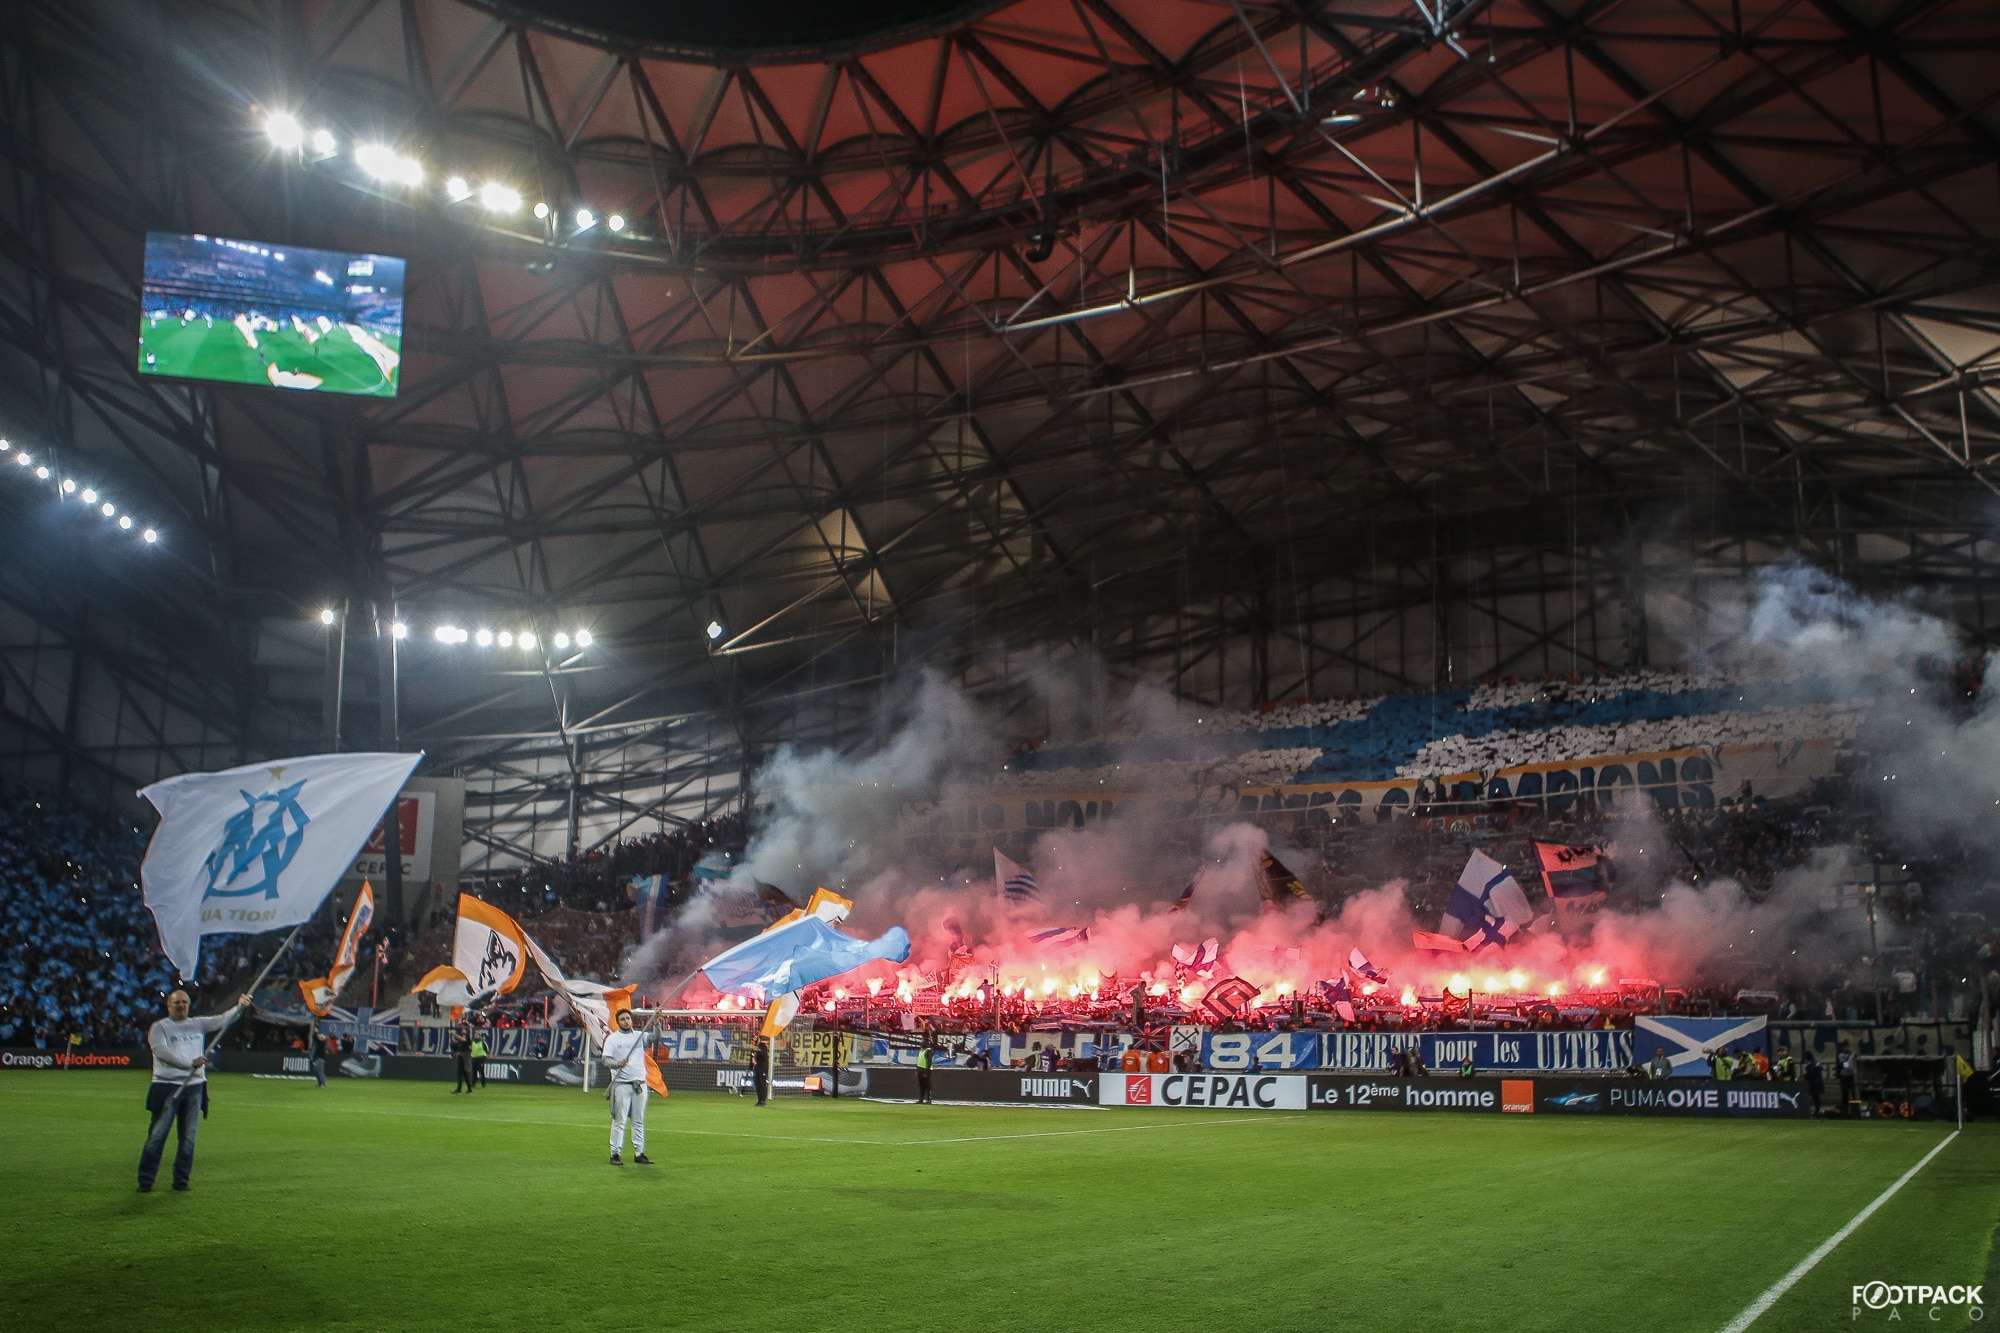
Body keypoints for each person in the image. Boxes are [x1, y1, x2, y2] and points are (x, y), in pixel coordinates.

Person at [138, 990, 251, 1193]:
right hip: (166, 1086)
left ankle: (181, 1179)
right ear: (168, 1005)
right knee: (157, 1135)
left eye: (184, 1002)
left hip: (194, 1087)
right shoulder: (160, 1027)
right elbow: (161, 1053)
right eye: (177, 1002)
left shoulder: (197, 1023)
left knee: (188, 1137)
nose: (181, 1005)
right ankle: (146, 1180)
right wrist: (189, 1064)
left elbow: (222, 1020)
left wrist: (240, 1006)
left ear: (188, 1005)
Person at [600, 1010, 654, 1166]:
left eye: (628, 1018)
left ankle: (639, 1153)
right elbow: (605, 1060)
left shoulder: (639, 1035)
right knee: (619, 1120)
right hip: (622, 1085)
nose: (626, 1021)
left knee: (638, 1120)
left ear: (631, 1020)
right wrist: (617, 1064)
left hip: (639, 1084)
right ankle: (615, 1154)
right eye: (622, 1019)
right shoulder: (612, 1039)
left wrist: (656, 1022)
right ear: (618, 1022)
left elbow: (654, 1038)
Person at [451, 1023, 475, 1094]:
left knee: (459, 1073)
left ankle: (459, 1089)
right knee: (464, 1073)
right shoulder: (467, 1038)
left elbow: (463, 1040)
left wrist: (454, 1034)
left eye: (464, 1029)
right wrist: (456, 1054)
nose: (462, 1030)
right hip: (463, 1055)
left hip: (464, 1057)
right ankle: (469, 1089)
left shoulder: (465, 1036)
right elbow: (463, 1048)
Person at [1836, 1041, 1857, 1116]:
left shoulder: (1853, 1055)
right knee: (1844, 1095)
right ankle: (1845, 1112)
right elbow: (1838, 1066)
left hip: (1851, 1076)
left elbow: (1855, 1064)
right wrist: (1838, 1077)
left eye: (1847, 1046)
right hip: (1844, 1077)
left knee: (1854, 1094)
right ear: (1842, 1047)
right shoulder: (1840, 1055)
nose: (1846, 1048)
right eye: (1845, 1046)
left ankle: (1855, 1111)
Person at [1803, 1050, 1826, 1115]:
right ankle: (1817, 1110)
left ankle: (1816, 1110)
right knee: (1816, 1097)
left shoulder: (1810, 1064)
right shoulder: (1816, 1062)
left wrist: (1805, 1075)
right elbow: (1821, 1068)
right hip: (1818, 1082)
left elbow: (1810, 1074)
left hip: (1814, 1083)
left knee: (1815, 1097)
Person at [916, 1035, 934, 1105]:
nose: (921, 1043)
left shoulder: (929, 1051)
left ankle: (929, 1099)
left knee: (927, 1085)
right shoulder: (921, 1050)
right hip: (920, 1069)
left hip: (926, 1070)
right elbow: (919, 1061)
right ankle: (920, 1099)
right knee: (921, 1085)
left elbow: (929, 1062)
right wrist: (917, 1070)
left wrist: (926, 1072)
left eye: (923, 1042)